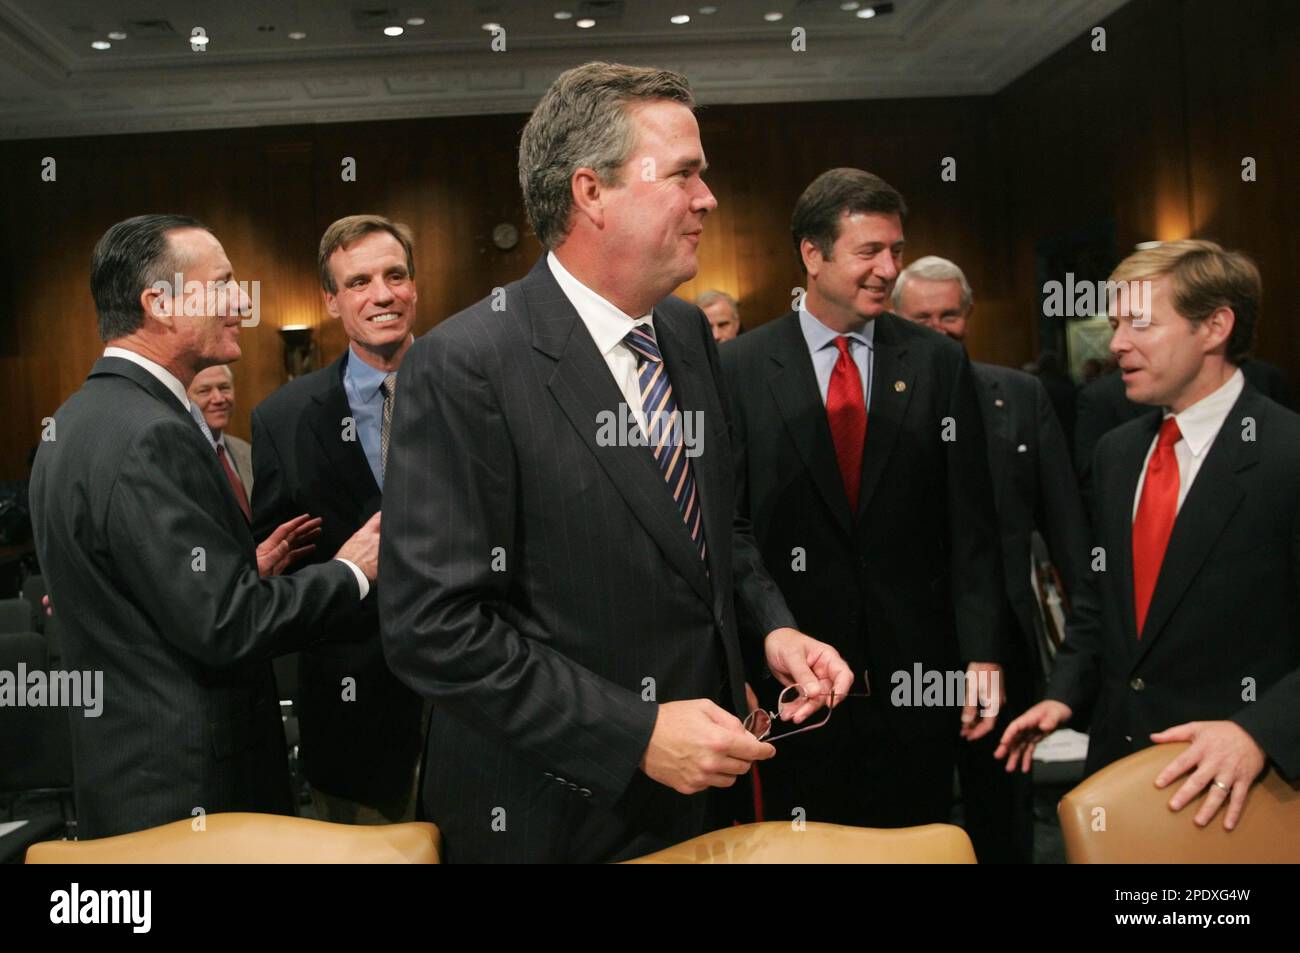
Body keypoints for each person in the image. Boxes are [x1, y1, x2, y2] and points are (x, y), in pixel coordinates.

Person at [379, 62, 852, 863]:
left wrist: (772, 628)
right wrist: (634, 732)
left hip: (709, 797)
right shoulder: (468, 363)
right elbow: (433, 629)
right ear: (591, 192)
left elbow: (716, 529)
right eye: (684, 174)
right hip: (553, 815)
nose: (708, 198)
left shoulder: (687, 335)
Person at [29, 214, 381, 838]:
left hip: (133, 782)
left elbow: (154, 597)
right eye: (222, 285)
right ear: (159, 304)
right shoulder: (152, 432)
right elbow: (228, 626)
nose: (241, 304)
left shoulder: (77, 420)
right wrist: (351, 570)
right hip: (192, 795)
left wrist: (241, 571)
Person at [719, 169, 1005, 830]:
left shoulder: (936, 363)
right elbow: (731, 526)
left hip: (919, 675)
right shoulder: (739, 367)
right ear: (812, 255)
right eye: (868, 252)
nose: (888, 269)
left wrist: (982, 653)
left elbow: (973, 523)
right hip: (800, 681)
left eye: (895, 250)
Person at [998, 240, 1300, 831]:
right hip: (1121, 772)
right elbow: (1101, 599)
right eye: (1115, 324)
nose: (1115, 344)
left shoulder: (1288, 455)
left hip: (1244, 791)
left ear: (1214, 326)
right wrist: (1065, 694)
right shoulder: (1119, 452)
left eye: (1140, 323)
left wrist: (1258, 730)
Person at [894, 255, 1089, 862]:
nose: (938, 328)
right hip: (907, 658)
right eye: (921, 317)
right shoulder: (869, 407)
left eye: (949, 314)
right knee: (913, 824)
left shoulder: (1021, 396)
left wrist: (1080, 664)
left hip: (1004, 655)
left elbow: (1069, 537)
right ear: (895, 320)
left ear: (969, 315)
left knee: (1003, 819)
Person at [251, 215, 427, 824]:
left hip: (483, 706)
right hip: (356, 725)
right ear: (331, 301)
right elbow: (281, 581)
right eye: (359, 282)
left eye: (395, 275)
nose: (382, 295)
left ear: (414, 286)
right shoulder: (283, 418)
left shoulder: (479, 383)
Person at [187, 363, 254, 506]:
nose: (218, 399)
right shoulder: (180, 457)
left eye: (224, 388)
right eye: (204, 391)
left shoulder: (246, 451)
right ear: (186, 400)